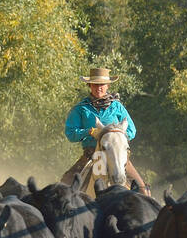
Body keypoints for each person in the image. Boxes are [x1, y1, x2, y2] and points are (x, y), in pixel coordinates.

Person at [60, 67, 150, 195]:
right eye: (95, 85)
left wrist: (117, 136)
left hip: (118, 155)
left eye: (102, 85)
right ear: (90, 85)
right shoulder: (81, 109)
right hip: (92, 155)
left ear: (107, 86)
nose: (99, 88)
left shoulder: (117, 106)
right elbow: (70, 133)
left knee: (143, 191)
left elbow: (131, 130)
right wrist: (89, 132)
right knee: (65, 186)